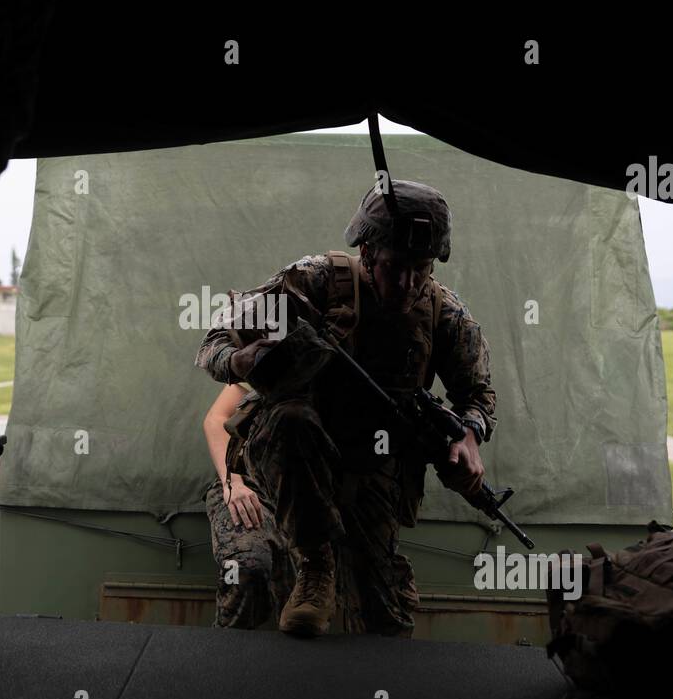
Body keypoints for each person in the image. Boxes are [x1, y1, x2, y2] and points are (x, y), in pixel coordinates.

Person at [194, 179, 496, 638]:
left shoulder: (444, 313)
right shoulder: (317, 281)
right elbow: (215, 340)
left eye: (420, 268)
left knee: (384, 617)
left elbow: (477, 395)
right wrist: (242, 359)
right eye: (395, 267)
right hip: (285, 459)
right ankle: (316, 566)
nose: (407, 282)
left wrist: (468, 436)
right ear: (369, 252)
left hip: (368, 469)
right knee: (292, 417)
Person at [201, 382, 295, 628]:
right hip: (251, 487)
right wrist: (232, 481)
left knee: (301, 603)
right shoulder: (280, 357)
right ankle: (227, 655)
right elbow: (216, 418)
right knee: (246, 567)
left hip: (308, 497)